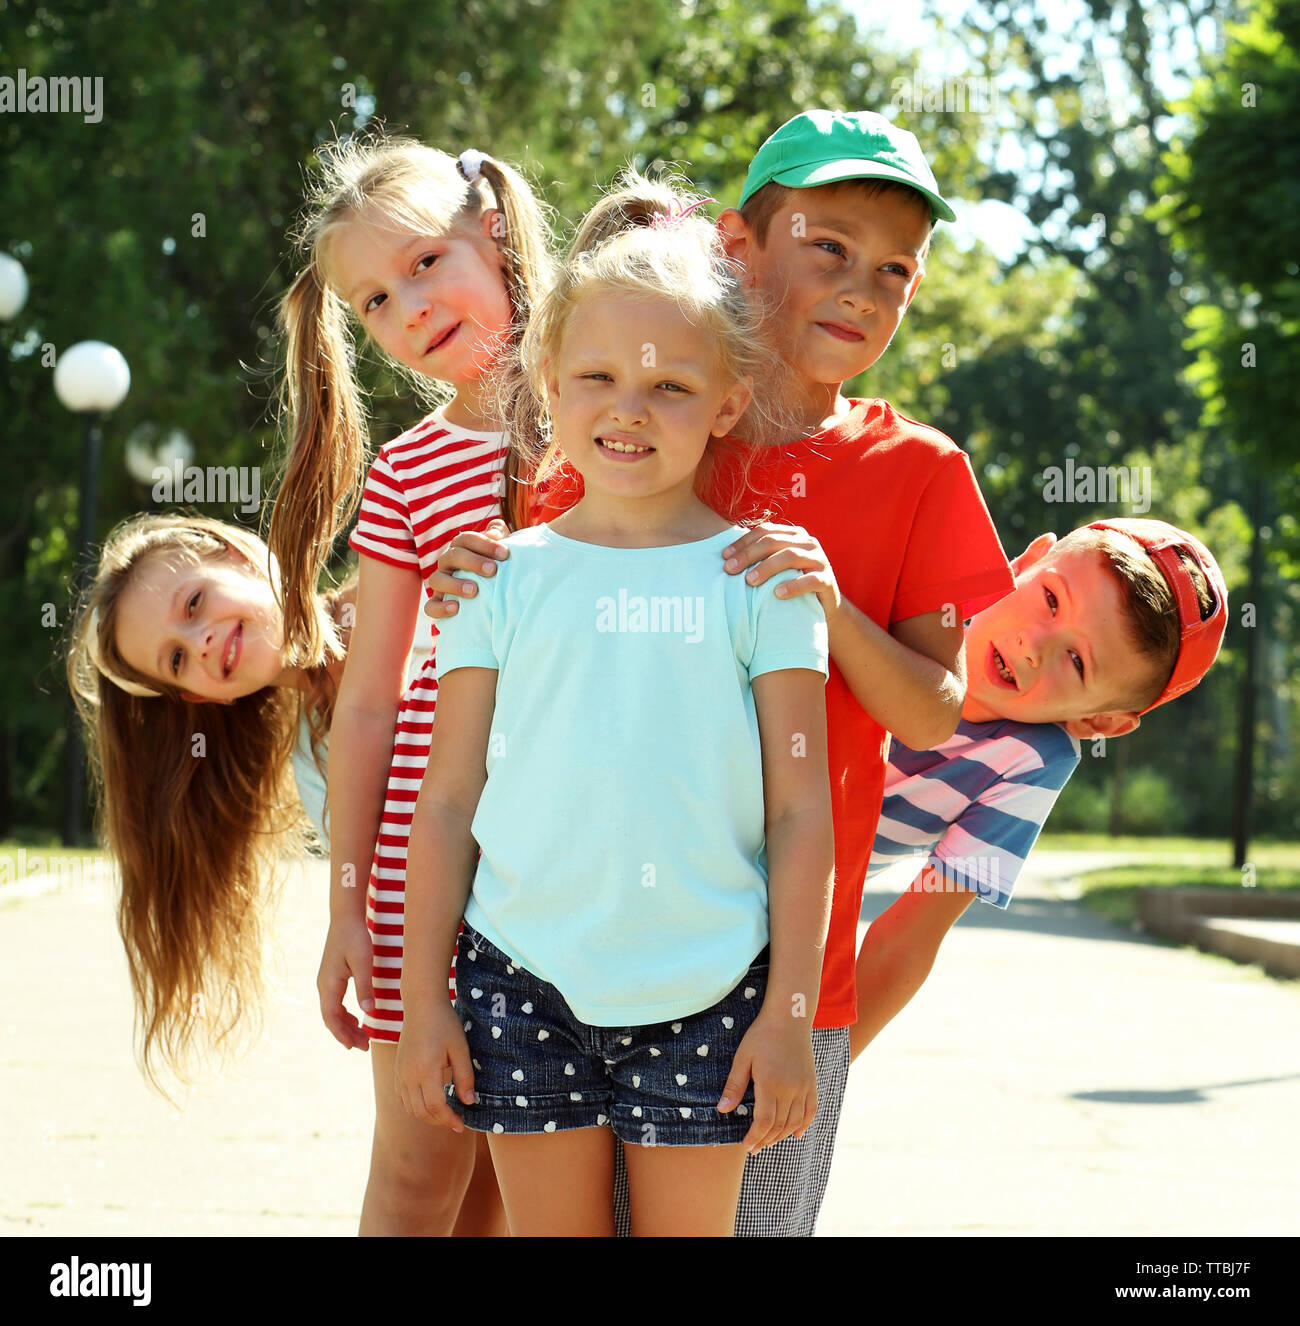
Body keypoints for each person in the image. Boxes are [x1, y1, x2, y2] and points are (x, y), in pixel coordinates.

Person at [424, 110, 1016, 1235]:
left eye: (894, 272)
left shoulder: (919, 471)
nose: (859, 289)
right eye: (826, 246)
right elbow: (547, 613)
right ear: (740, 247)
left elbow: (935, 714)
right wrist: (473, 561)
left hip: (783, 974)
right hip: (580, 950)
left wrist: (827, 601)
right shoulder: (658, 425)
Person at [393, 173, 836, 1236]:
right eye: (594, 375)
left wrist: (786, 1018)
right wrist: (420, 1007)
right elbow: (445, 803)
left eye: (670, 388)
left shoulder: (765, 585)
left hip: (712, 991)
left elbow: (798, 815)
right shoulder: (492, 581)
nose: (627, 410)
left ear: (727, 401)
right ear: (547, 380)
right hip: (516, 980)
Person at [267, 133, 554, 1236]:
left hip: (579, 859)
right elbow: (372, 703)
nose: (409, 305)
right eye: (376, 298)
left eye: (426, 262)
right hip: (417, 868)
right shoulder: (406, 473)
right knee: (421, 1175)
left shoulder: (617, 403)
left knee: (515, 1182)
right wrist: (346, 907)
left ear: (491, 226)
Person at [853, 517, 1228, 1056]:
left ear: (1100, 722)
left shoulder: (1031, 759)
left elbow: (904, 941)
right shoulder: (911, 595)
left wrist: (820, 1075)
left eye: (1076, 661)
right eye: (1051, 599)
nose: (1036, 648)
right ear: (1027, 561)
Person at [66, 514, 348, 1094]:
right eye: (176, 660)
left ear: (235, 556)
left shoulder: (412, 586)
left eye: (194, 603)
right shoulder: (314, 769)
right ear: (197, 695)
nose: (201, 643)